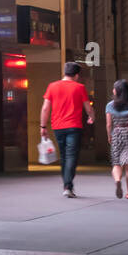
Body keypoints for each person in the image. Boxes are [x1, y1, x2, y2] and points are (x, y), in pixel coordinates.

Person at [40, 61, 95, 198]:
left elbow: (46, 108)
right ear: (76, 75)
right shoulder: (80, 88)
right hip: (74, 126)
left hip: (57, 126)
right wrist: (91, 117)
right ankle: (68, 186)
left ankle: (67, 185)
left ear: (65, 72)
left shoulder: (52, 86)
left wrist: (43, 126)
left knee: (64, 156)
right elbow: (88, 108)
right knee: (72, 156)